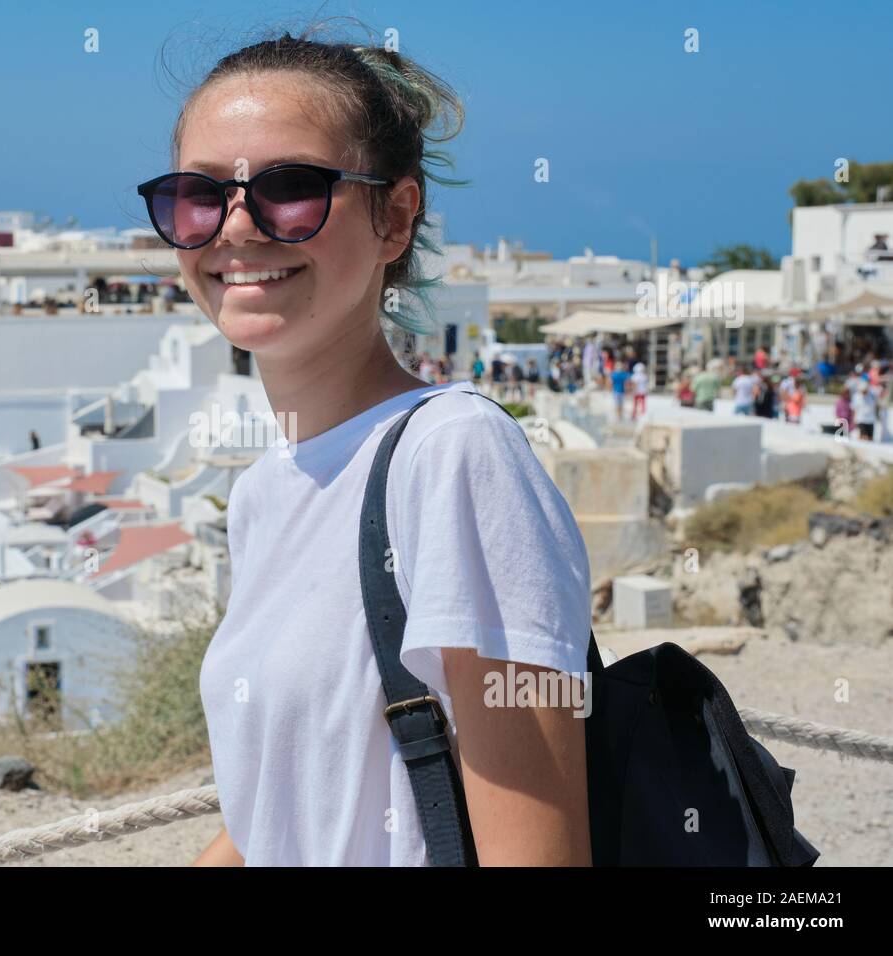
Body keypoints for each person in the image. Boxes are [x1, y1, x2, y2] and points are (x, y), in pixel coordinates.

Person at [150, 27, 591, 868]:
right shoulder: (263, 491)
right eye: (199, 195)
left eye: (290, 187)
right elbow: (285, 816)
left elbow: (538, 853)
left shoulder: (458, 457)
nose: (236, 228)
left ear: (394, 217)